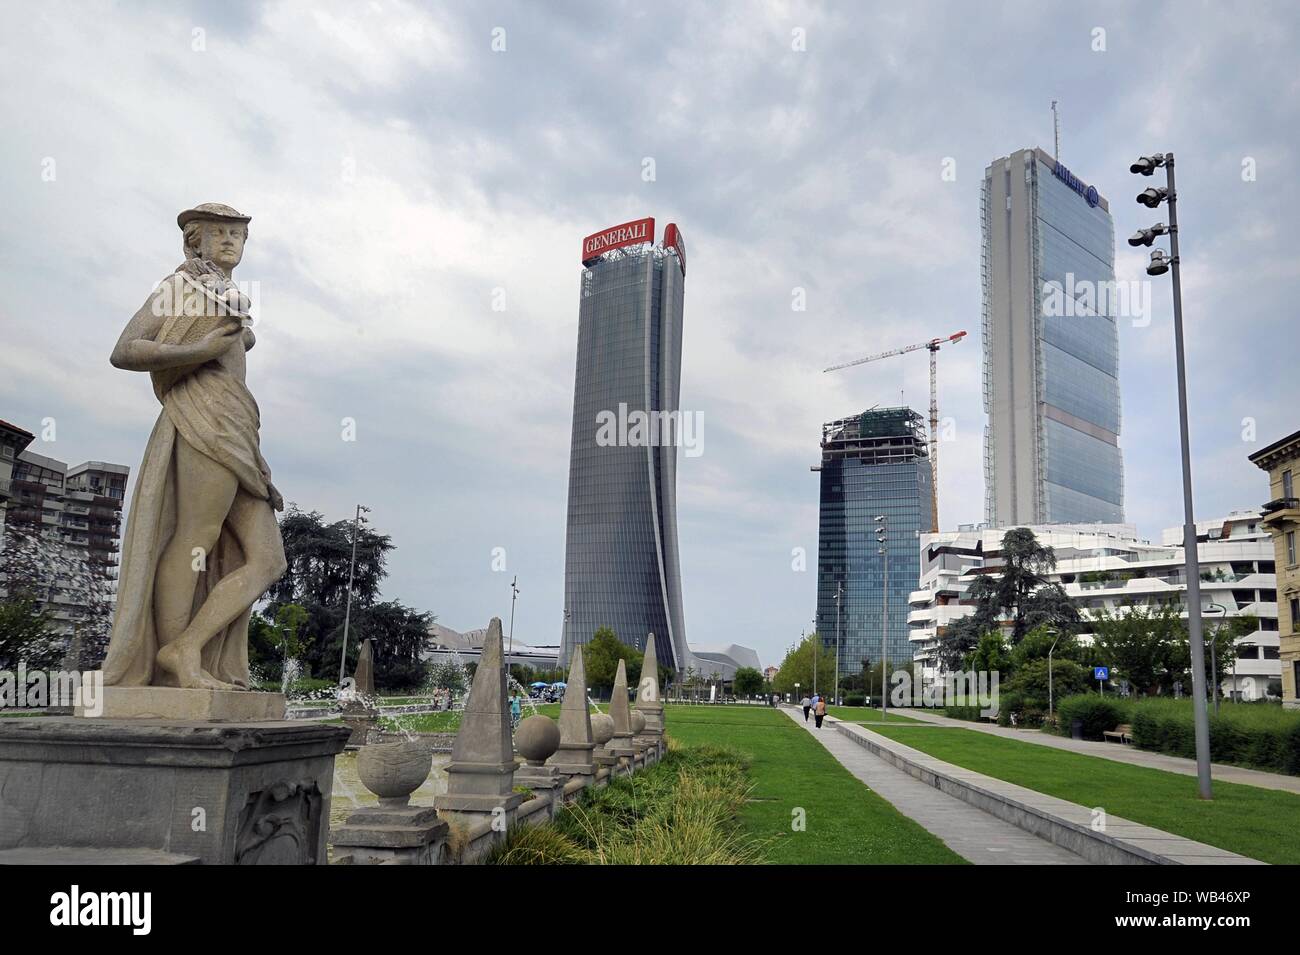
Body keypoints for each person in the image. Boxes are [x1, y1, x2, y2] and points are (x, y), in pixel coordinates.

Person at [102, 203, 286, 691]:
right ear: (194, 242)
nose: (230, 241)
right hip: (202, 416)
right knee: (195, 537)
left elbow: (234, 374)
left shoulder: (228, 294)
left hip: (237, 426)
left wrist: (259, 462)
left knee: (269, 560)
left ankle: (188, 645)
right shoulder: (180, 287)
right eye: (219, 233)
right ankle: (177, 660)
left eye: (237, 234)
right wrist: (196, 353)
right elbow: (125, 350)